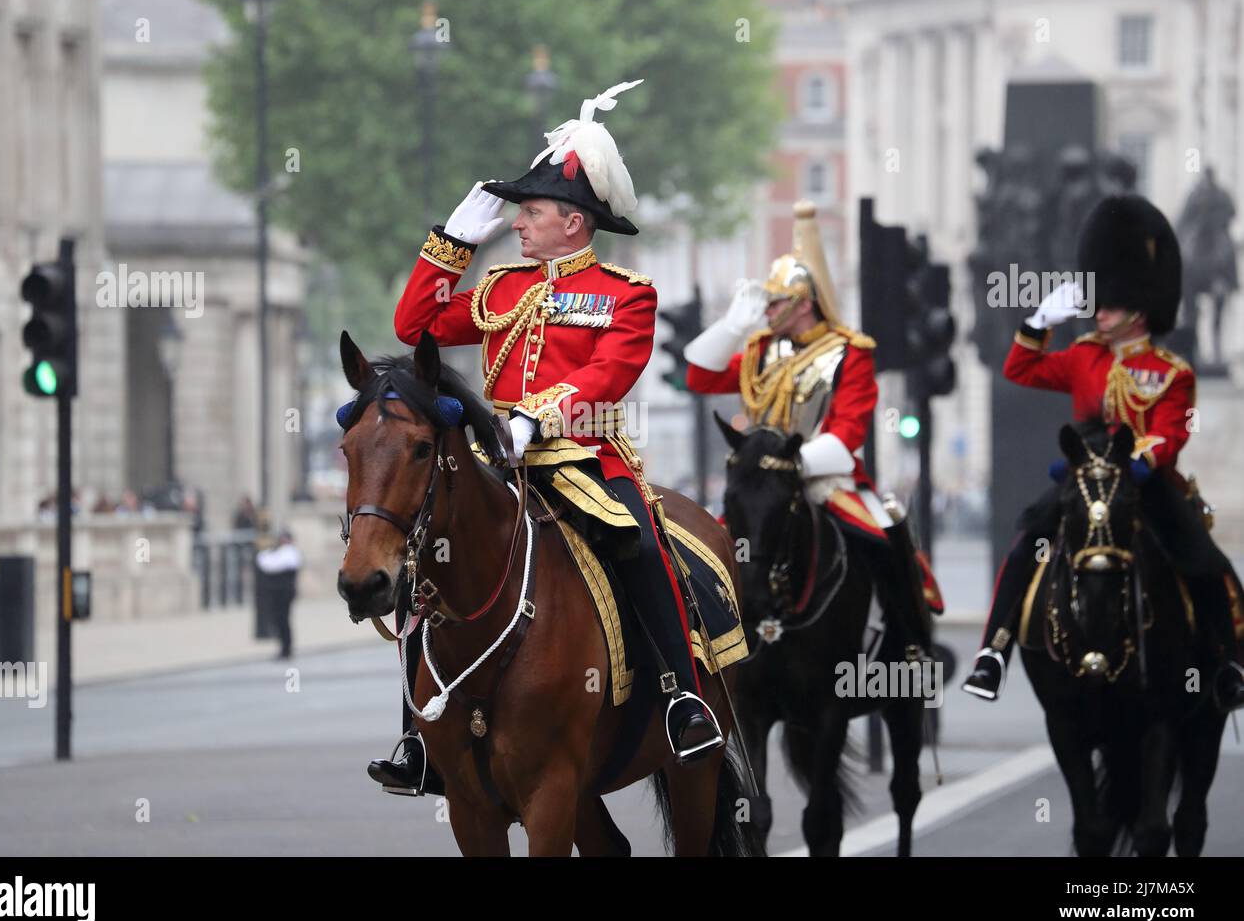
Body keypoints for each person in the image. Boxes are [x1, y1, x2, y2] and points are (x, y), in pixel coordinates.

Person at [367, 79, 725, 796]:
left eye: (530, 212)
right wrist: (452, 242)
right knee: (427, 554)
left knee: (642, 542)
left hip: (584, 456)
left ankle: (682, 698)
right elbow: (417, 327)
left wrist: (543, 416)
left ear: (573, 221)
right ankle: (416, 736)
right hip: (497, 462)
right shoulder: (501, 288)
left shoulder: (627, 294)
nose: (518, 224)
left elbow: (611, 369)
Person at [962, 194, 1244, 712]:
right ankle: (994, 652)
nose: (1098, 309)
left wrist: (1138, 463)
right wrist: (1039, 319)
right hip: (1084, 477)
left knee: (1204, 560)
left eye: (1109, 302)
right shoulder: (1084, 355)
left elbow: (1170, 433)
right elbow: (1019, 370)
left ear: (1139, 308)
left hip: (1144, 481)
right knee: (1029, 540)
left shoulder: (1170, 371)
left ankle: (1228, 661)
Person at [683, 202, 941, 661]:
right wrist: (730, 327)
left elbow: (847, 431)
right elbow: (700, 378)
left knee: (886, 535)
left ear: (803, 303)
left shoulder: (850, 353)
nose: (767, 309)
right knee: (702, 550)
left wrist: (793, 465)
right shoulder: (763, 350)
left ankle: (909, 645)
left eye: (776, 302)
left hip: (823, 477)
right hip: (762, 482)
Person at [256, 530, 302, 659]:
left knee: (283, 620)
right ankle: (284, 648)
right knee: (279, 620)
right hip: (277, 592)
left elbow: (269, 564)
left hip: (284, 592)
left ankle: (286, 649)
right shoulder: (281, 552)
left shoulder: (290, 553)